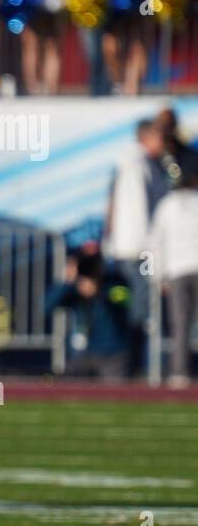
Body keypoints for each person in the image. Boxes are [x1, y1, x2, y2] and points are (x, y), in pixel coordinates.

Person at [105, 118, 173, 365]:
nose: (162, 143)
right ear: (145, 138)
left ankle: (135, 359)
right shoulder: (135, 164)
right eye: (158, 137)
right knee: (142, 304)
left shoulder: (137, 163)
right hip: (138, 250)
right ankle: (133, 360)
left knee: (142, 302)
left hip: (134, 247)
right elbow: (140, 210)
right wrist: (151, 249)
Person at [147, 149, 198, 386]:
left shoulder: (166, 206)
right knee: (182, 325)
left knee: (180, 325)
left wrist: (159, 276)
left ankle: (179, 373)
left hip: (177, 271)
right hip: (185, 268)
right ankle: (179, 372)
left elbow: (155, 243)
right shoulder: (169, 205)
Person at [46, 246, 132, 379]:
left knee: (115, 395)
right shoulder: (74, 289)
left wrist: (99, 291)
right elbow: (46, 306)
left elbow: (125, 300)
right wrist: (68, 281)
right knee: (64, 390)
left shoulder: (114, 280)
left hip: (113, 354)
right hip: (83, 354)